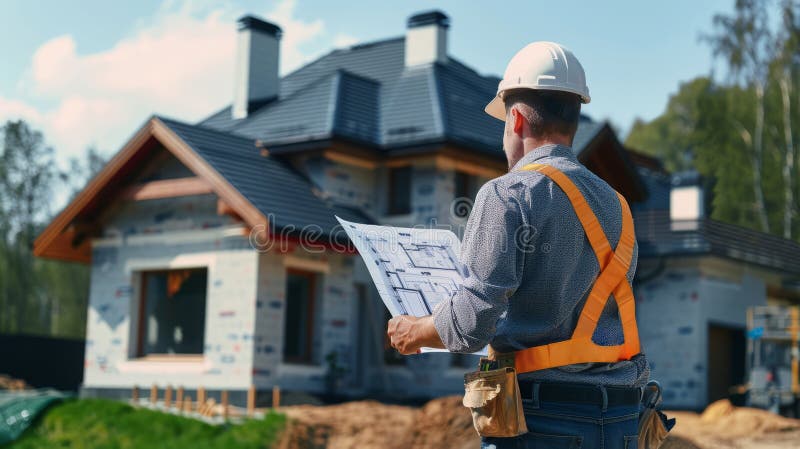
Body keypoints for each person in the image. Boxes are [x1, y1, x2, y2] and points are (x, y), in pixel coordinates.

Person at [387, 41, 650, 449]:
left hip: (542, 420)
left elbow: (473, 321)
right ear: (573, 120)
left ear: (516, 121)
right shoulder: (617, 205)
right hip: (623, 420)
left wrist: (416, 331)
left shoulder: (507, 195)